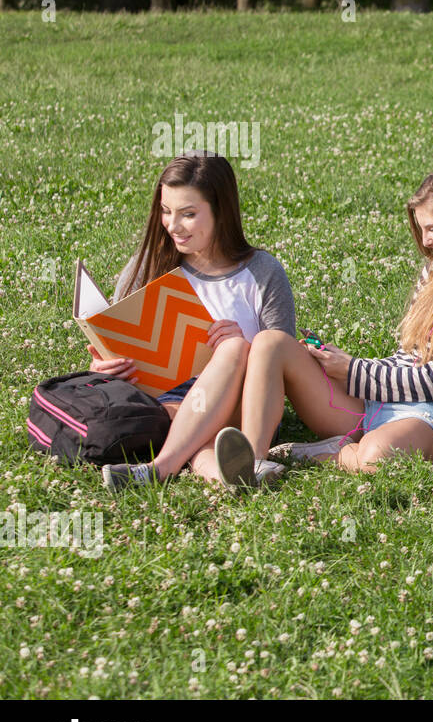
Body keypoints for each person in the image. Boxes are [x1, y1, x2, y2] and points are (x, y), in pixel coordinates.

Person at [212, 165, 433, 480]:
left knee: (375, 456)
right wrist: (333, 364)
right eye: (422, 230)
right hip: (387, 391)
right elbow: (408, 356)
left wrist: (351, 370)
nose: (426, 242)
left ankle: (331, 452)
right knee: (271, 343)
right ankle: (251, 462)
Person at [98, 152, 296, 491]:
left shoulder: (262, 272)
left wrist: (243, 343)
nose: (173, 226)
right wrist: (103, 365)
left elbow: (284, 362)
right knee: (206, 441)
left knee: (232, 348)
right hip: (162, 403)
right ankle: (235, 478)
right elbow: (119, 344)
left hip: (240, 411)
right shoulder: (146, 266)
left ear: (221, 211)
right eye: (166, 211)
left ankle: (158, 469)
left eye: (188, 214)